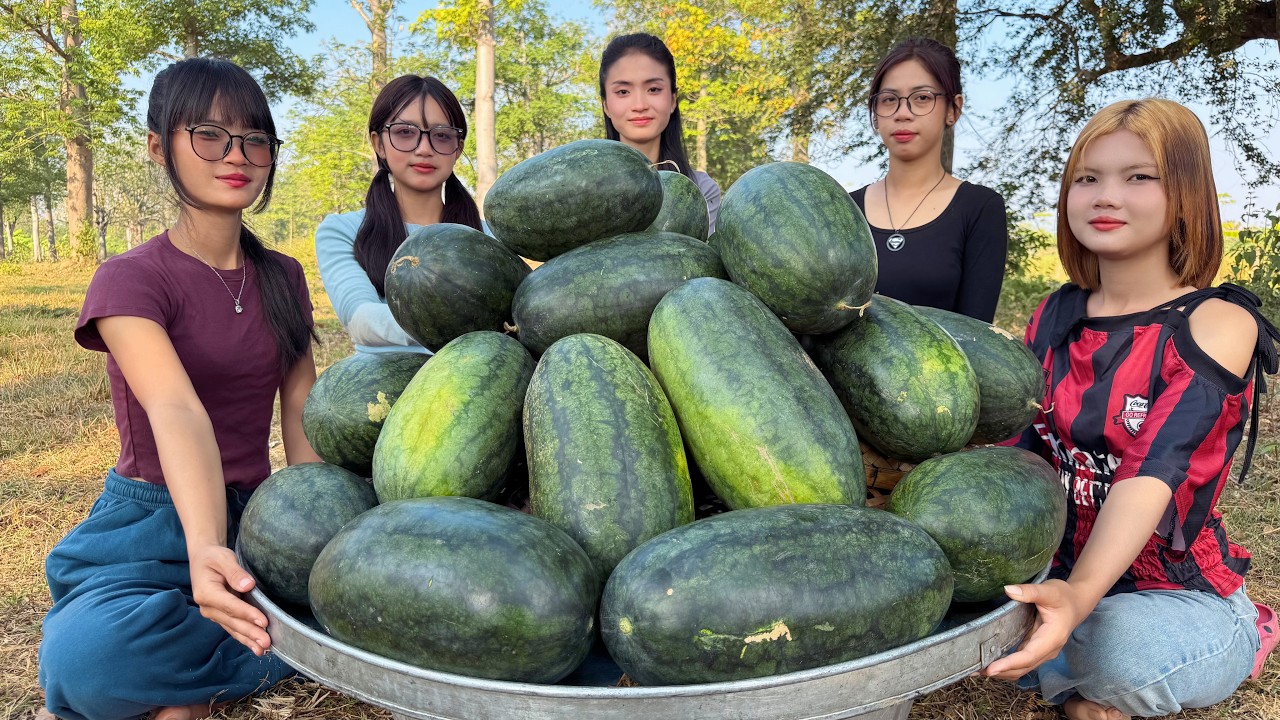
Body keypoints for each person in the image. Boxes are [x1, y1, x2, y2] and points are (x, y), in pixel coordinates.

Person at [37, 57, 321, 720]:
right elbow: (175, 408)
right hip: (149, 525)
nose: (237, 155)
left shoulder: (283, 276)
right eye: (209, 135)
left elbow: (301, 411)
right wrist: (204, 551)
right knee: (87, 661)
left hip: (259, 523)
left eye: (255, 139)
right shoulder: (130, 277)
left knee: (354, 609)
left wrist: (322, 523)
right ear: (158, 146)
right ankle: (236, 655)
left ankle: (185, 678)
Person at [982, 99, 1280, 720]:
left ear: (1186, 195)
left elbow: (1152, 471)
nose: (1105, 196)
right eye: (1087, 178)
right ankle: (1070, 665)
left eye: (1139, 177)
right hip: (1057, 569)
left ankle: (1238, 636)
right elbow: (1020, 445)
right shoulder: (1054, 313)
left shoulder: (1216, 324)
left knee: (1119, 648)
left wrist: (1078, 598)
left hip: (1173, 593)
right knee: (987, 611)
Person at [315, 75, 482, 354]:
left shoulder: (489, 237)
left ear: (458, 148)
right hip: (380, 383)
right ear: (378, 143)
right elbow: (361, 320)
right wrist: (464, 320)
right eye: (405, 132)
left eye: (442, 135)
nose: (424, 149)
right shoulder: (343, 230)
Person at [849, 38, 1008, 323]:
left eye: (922, 98)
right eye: (889, 99)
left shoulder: (980, 208)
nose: (903, 113)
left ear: (953, 109)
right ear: (875, 113)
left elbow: (976, 332)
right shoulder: (845, 208)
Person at [599, 32, 722, 229]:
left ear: (673, 100)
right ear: (605, 105)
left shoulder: (701, 190)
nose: (640, 105)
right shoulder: (581, 187)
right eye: (623, 92)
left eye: (653, 89)